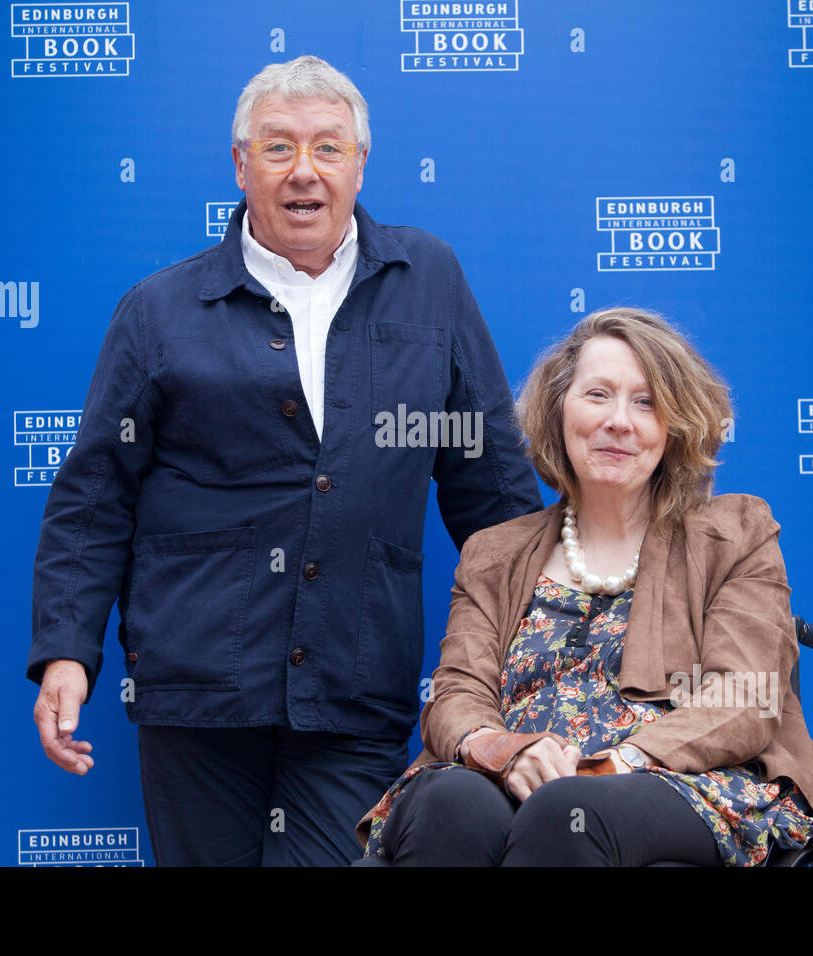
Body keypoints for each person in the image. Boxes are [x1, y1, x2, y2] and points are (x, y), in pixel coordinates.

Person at [27, 55, 543, 866]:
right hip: (196, 688)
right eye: (279, 148)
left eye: (328, 148)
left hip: (356, 683)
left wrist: (545, 649)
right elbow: (95, 496)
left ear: (360, 162)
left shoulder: (428, 280)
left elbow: (494, 487)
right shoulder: (159, 310)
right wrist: (66, 651)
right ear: (241, 163)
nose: (305, 170)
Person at [358, 307, 813, 866]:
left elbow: (743, 696)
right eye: (598, 395)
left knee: (570, 813)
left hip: (675, 780)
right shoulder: (493, 553)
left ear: (675, 427)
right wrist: (502, 750)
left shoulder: (733, 532)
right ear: (558, 414)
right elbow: (457, 692)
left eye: (646, 402)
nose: (620, 421)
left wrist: (613, 764)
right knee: (451, 802)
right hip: (510, 778)